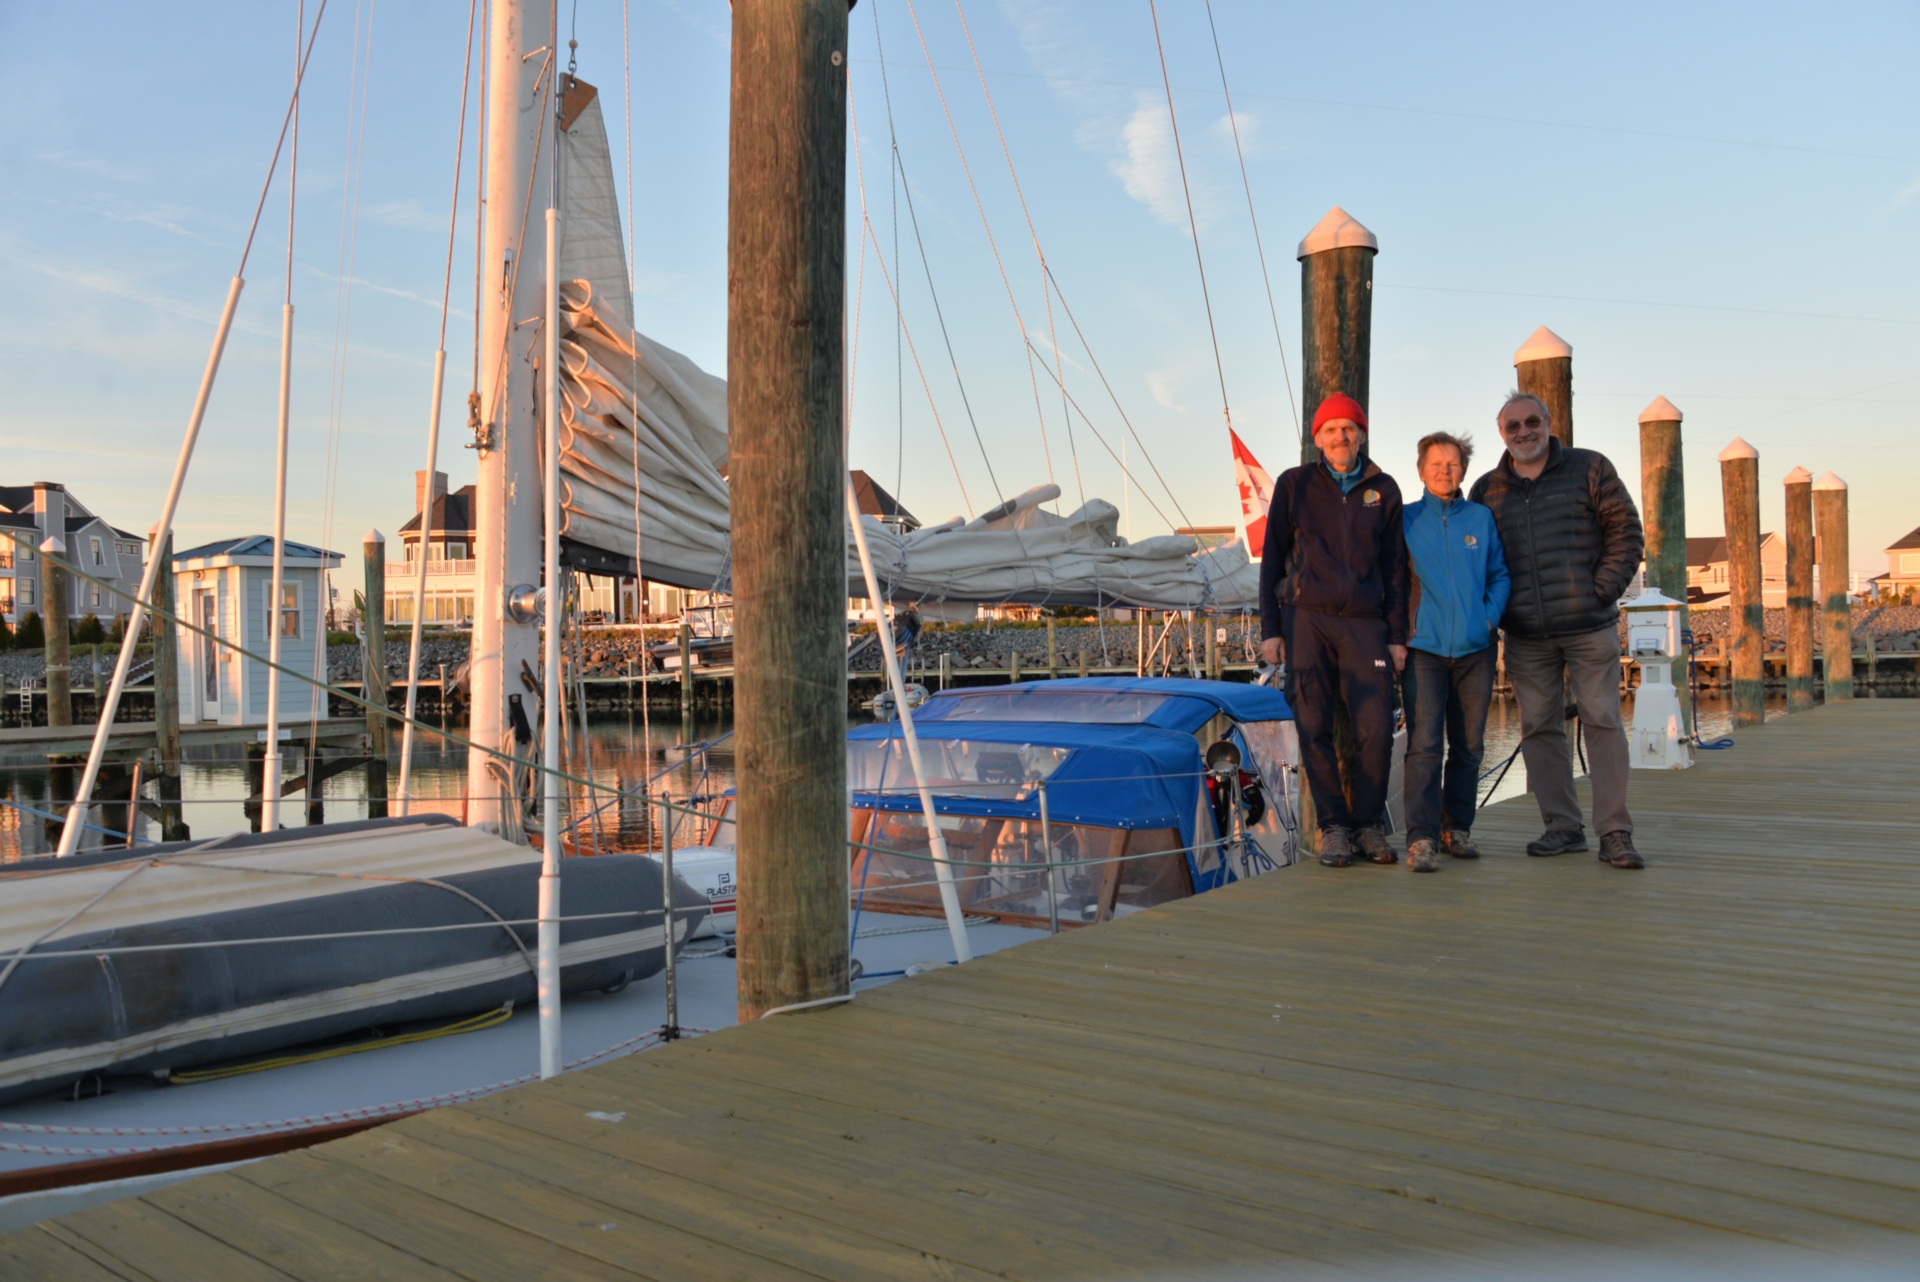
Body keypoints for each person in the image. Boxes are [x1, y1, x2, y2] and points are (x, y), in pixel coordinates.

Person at [1469, 393, 1646, 870]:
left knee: (1603, 720)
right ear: (1501, 434)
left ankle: (1615, 831)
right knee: (1540, 728)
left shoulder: (1591, 468)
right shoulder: (1487, 489)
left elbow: (1626, 532)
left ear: (1549, 422)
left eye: (1532, 422)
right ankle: (1562, 827)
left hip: (1589, 626)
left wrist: (1601, 590)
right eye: (1513, 426)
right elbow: (1477, 561)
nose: (1524, 432)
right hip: (1525, 633)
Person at [1259, 393, 1410, 868]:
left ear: (1361, 434)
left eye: (1349, 428)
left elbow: (1396, 570)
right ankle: (1334, 828)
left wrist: (1397, 635)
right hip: (1306, 618)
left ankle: (1367, 824)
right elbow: (1272, 559)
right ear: (1317, 438)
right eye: (1331, 430)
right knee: (1314, 725)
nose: (1341, 437)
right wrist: (1270, 629)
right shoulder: (1294, 484)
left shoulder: (1383, 489)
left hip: (1366, 623)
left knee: (1376, 725)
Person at [1399, 432, 1509, 873]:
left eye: (1454, 464)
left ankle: (1456, 828)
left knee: (1469, 746)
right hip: (1423, 649)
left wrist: (1487, 619)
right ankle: (1421, 838)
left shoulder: (1480, 518)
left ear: (1463, 470)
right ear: (1421, 470)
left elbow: (1499, 575)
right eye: (1437, 463)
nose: (1445, 471)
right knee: (1425, 745)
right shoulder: (1404, 519)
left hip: (1476, 649)